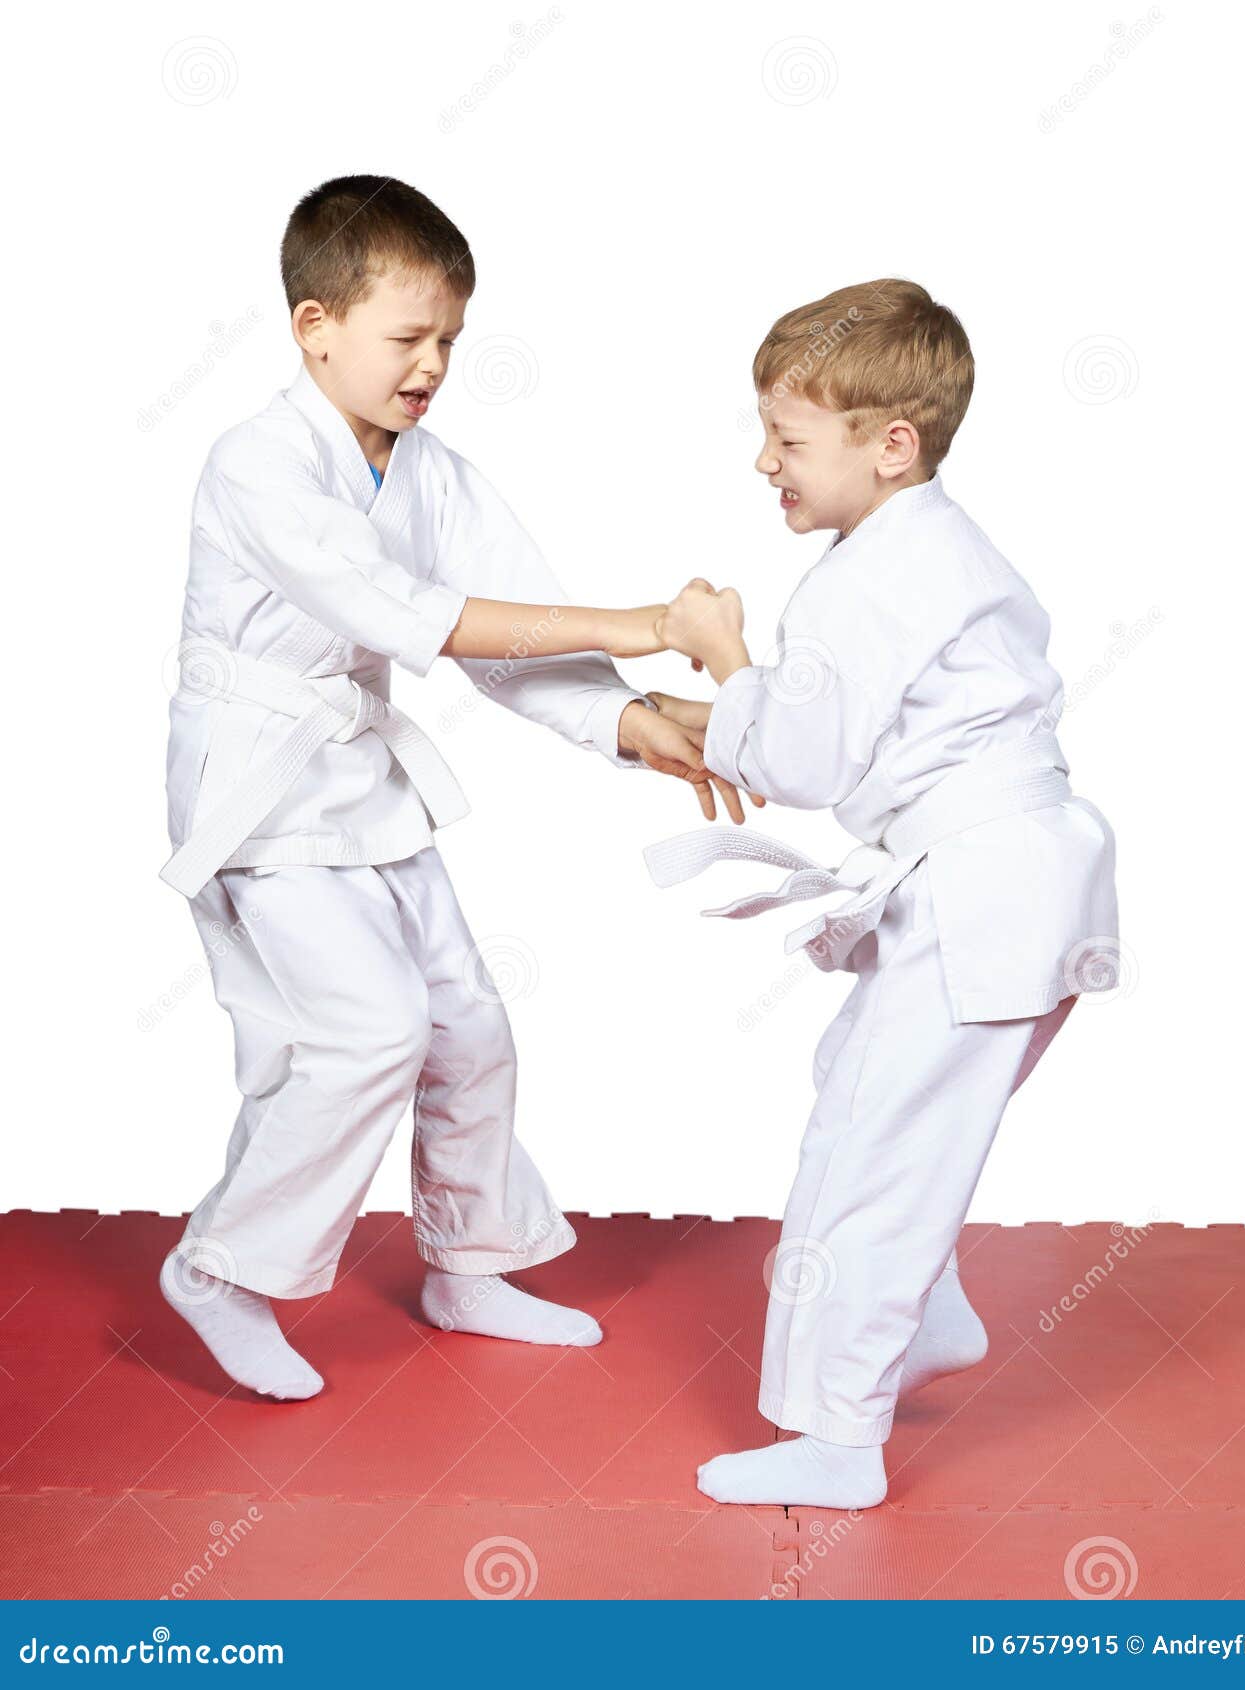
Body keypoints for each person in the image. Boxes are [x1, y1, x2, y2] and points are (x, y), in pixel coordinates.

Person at [159, 175, 754, 1402]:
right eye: (407, 337)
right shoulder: (256, 464)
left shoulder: (430, 472)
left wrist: (639, 724)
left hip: (361, 788)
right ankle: (225, 1271)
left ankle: (468, 1261)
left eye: (451, 341)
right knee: (369, 1030)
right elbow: (417, 617)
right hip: (258, 803)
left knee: (469, 1026)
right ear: (314, 326)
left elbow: (509, 630)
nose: (432, 364)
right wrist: (654, 621)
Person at [647, 280, 1119, 1507]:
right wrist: (673, 719)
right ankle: (927, 1315)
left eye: (789, 440)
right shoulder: (932, 552)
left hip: (983, 893)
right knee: (875, 1111)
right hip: (1021, 882)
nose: (764, 462)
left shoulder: (870, 579)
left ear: (890, 445)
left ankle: (842, 1439)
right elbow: (840, 734)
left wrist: (722, 652)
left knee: (873, 1154)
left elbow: (801, 758)